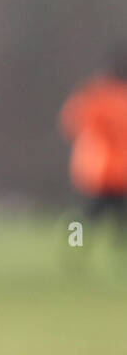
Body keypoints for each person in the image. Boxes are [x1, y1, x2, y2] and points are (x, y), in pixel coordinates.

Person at [60, 44, 127, 240]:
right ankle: (75, 240)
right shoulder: (97, 95)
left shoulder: (97, 94)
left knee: (106, 215)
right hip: (102, 171)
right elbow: (74, 123)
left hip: (113, 171)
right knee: (94, 214)